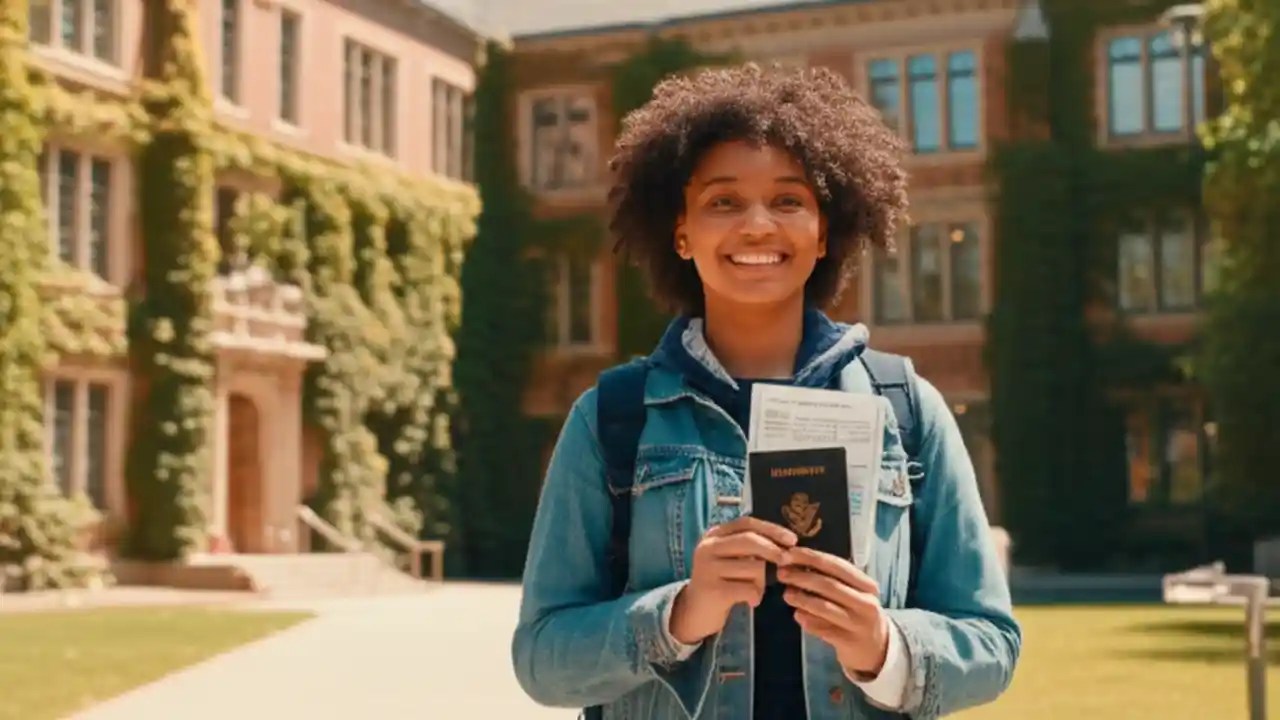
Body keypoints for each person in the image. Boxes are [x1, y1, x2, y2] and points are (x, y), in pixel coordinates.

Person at [511, 63, 1020, 720]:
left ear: (824, 232)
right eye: (723, 201)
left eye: (788, 200)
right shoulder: (613, 419)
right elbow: (542, 660)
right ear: (682, 233)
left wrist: (882, 645)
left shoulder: (905, 411)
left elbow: (992, 642)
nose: (757, 225)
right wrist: (681, 614)